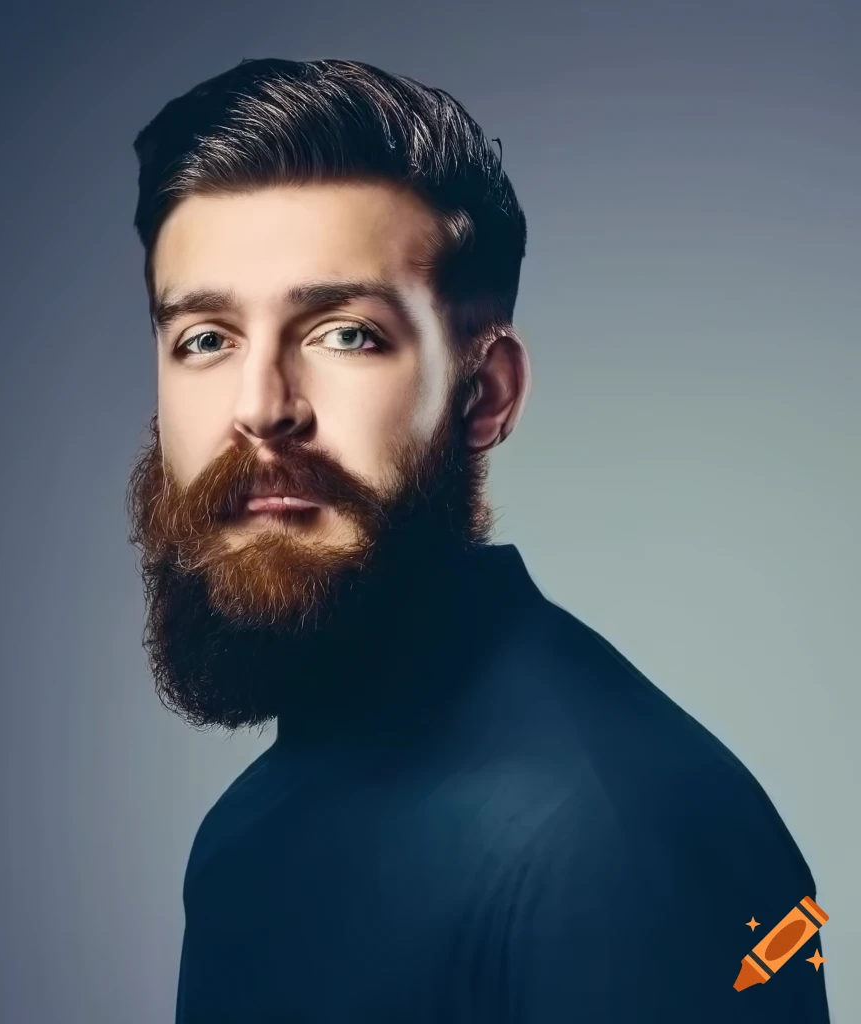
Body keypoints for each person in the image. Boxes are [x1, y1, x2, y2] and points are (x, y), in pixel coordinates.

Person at [125, 58, 830, 1024]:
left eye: (344, 333)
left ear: (484, 394)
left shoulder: (623, 835)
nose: (260, 409)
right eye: (205, 338)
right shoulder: (243, 834)